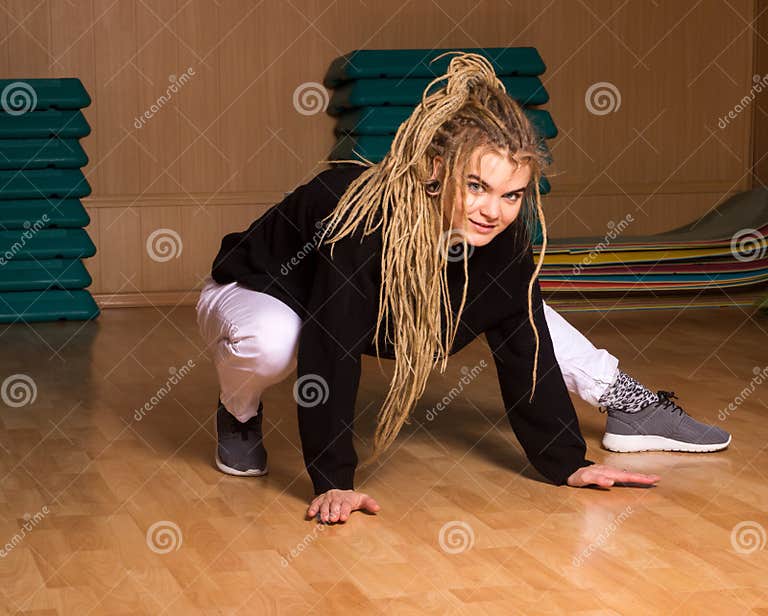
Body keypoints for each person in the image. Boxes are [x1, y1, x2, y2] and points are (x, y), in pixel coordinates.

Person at [196, 53, 726, 525]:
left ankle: (625, 401)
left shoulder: (502, 235)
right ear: (436, 168)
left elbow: (524, 344)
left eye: (511, 194)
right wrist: (333, 480)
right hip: (259, 291)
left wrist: (567, 463)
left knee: (519, 302)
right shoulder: (363, 222)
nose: (493, 210)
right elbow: (332, 345)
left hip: (379, 302)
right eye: (476, 186)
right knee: (273, 342)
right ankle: (238, 413)